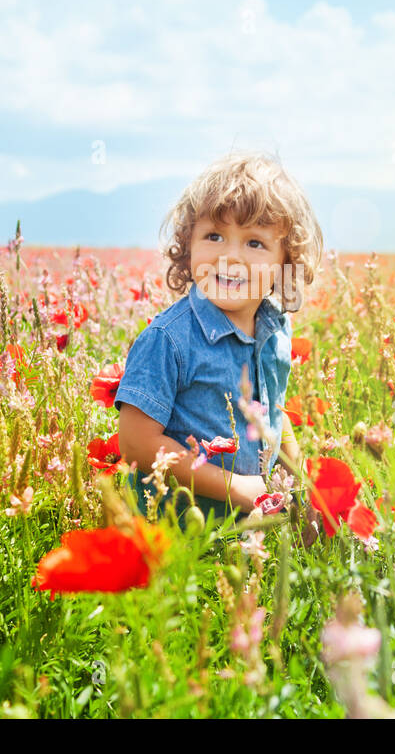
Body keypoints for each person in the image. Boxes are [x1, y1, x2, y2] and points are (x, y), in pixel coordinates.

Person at [114, 151, 323, 532]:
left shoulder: (276, 331)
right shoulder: (169, 339)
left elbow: (274, 415)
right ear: (188, 245)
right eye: (214, 236)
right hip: (177, 532)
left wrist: (301, 487)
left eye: (254, 243)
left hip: (251, 529)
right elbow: (135, 442)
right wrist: (237, 487)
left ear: (284, 260)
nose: (230, 256)